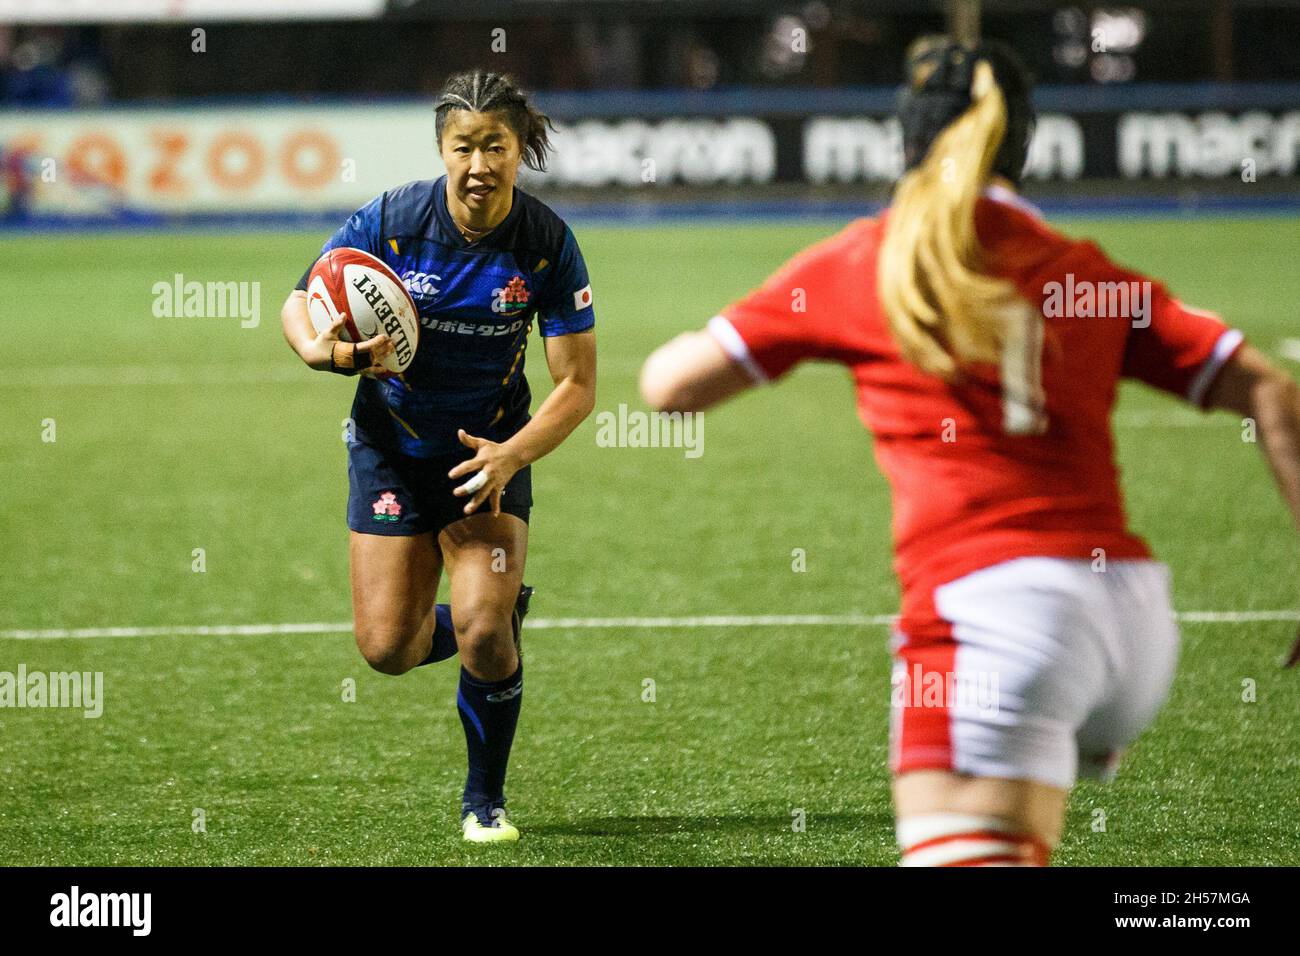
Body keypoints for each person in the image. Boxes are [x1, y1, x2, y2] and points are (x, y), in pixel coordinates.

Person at [639, 37, 1300, 866]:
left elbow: (670, 387)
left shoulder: (868, 261)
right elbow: (1272, 391)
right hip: (1134, 621)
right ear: (1024, 148)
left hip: (996, 622)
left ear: (906, 146)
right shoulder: (1084, 271)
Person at [281, 70, 597, 843]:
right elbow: (298, 304)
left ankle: (484, 801)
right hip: (389, 450)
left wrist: (511, 456)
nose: (480, 163)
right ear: (441, 150)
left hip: (486, 455)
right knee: (390, 649)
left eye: (497, 145)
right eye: (465, 146)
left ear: (521, 150)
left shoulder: (547, 243)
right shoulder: (391, 219)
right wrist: (326, 355)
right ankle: (500, 610)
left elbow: (579, 386)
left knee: (486, 637)